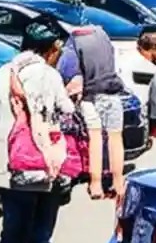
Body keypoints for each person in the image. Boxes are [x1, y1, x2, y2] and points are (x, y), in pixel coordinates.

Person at [0, 20, 76, 243]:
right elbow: (63, 114)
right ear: (52, 49)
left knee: (10, 235)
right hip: (39, 166)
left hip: (5, 164)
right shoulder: (47, 75)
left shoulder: (3, 73)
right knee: (40, 234)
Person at [52, 16, 128, 200]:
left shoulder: (74, 42)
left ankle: (96, 184)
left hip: (90, 96)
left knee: (95, 138)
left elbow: (67, 70)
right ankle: (118, 182)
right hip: (112, 92)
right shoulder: (103, 35)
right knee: (115, 137)